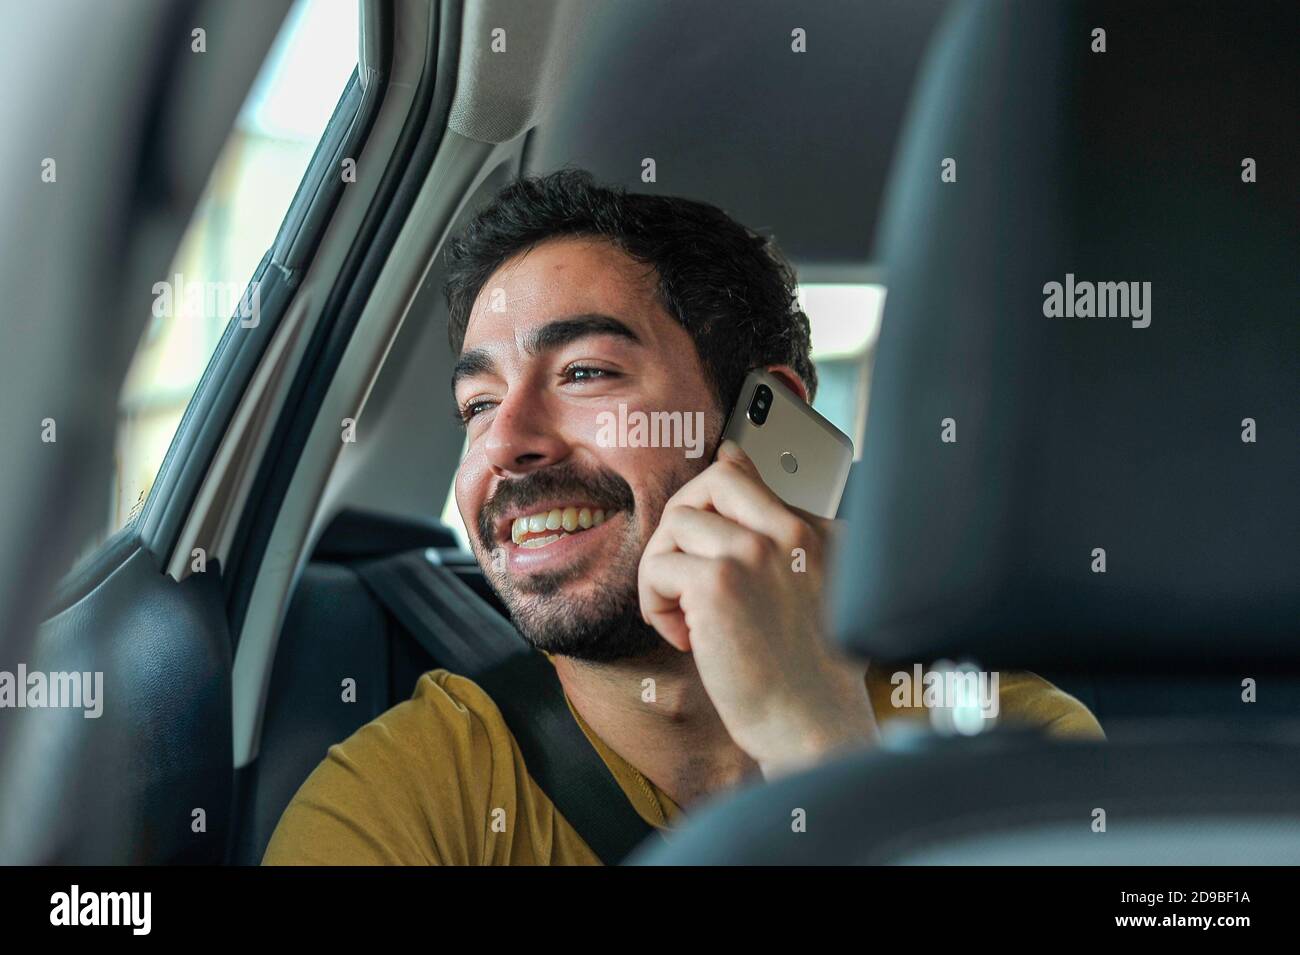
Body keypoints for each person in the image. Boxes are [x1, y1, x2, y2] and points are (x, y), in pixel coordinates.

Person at [263, 170, 1102, 865]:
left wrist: (819, 744)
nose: (506, 442)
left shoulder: (1007, 739)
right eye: (477, 404)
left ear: (765, 421)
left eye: (587, 372)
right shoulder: (399, 805)